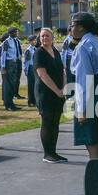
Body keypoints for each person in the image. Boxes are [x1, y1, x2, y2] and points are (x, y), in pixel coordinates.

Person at [68, 12, 98, 161]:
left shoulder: (83, 47)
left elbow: (84, 79)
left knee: (92, 141)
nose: (71, 28)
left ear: (81, 28)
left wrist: (82, 110)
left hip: (91, 94)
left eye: (73, 25)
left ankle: (97, 181)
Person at [35, 27, 67, 162]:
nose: (44, 38)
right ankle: (47, 153)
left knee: (55, 122)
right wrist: (57, 91)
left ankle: (53, 152)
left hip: (58, 93)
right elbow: (42, 75)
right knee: (47, 122)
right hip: (45, 93)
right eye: (42, 36)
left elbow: (62, 71)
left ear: (52, 38)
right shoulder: (39, 53)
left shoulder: (55, 52)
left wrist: (64, 88)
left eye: (47, 36)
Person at [0, 27, 23, 110]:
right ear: (10, 33)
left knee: (13, 84)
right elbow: (3, 55)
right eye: (15, 32)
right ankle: (7, 104)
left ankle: (11, 103)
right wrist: (3, 67)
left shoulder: (16, 41)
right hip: (9, 64)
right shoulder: (6, 42)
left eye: (16, 32)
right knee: (8, 85)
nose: (16, 33)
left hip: (15, 63)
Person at [23, 35, 38, 109]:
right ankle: (30, 101)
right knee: (31, 86)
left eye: (35, 40)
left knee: (35, 85)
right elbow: (26, 61)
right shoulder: (29, 50)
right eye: (33, 40)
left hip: (35, 68)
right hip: (30, 68)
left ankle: (35, 100)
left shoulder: (35, 49)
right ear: (30, 41)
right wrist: (26, 70)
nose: (35, 41)